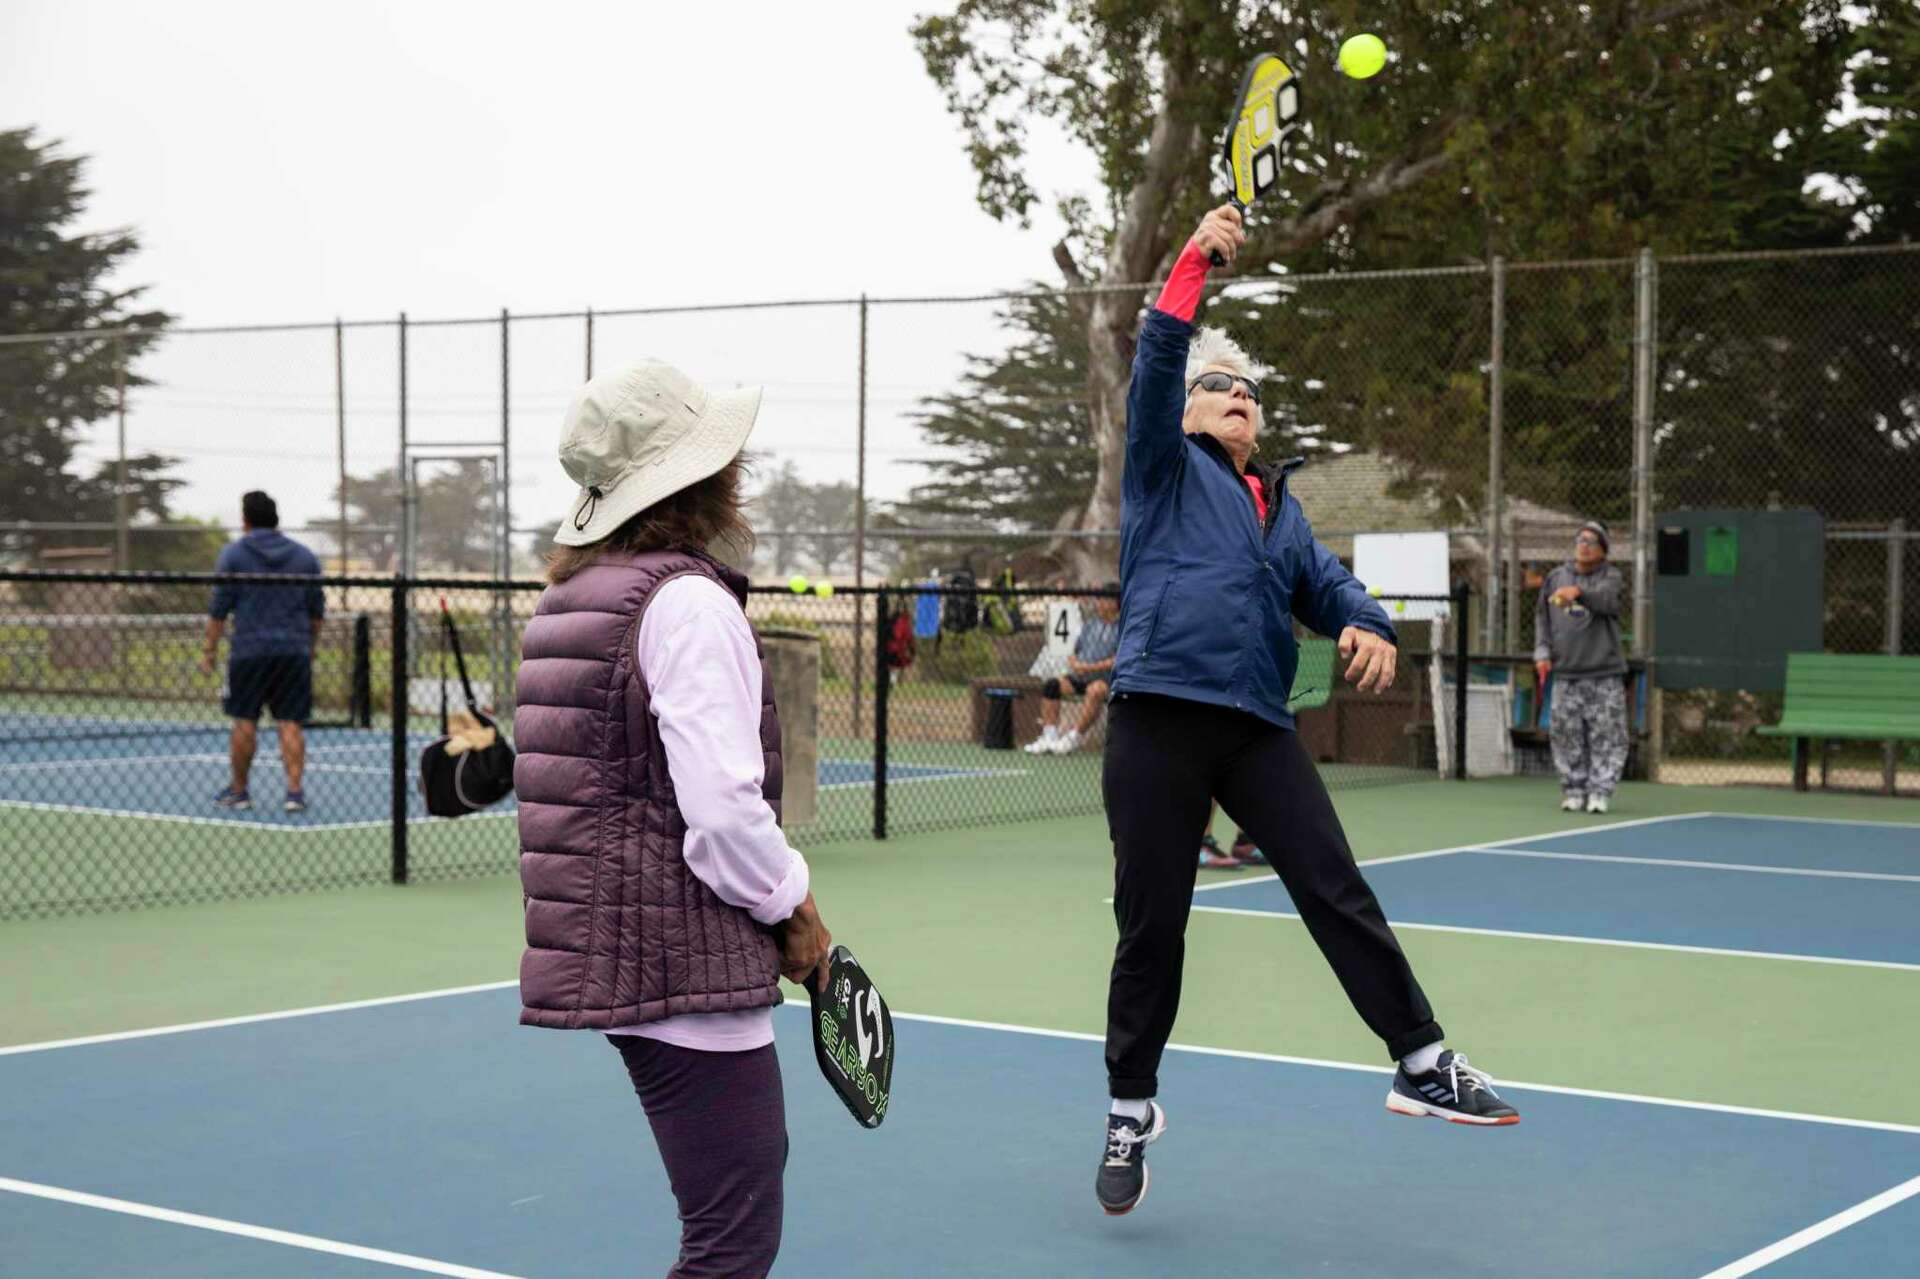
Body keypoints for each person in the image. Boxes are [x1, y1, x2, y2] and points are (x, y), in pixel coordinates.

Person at [1096, 204, 1518, 1218]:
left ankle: (1420, 1058)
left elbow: (1329, 587)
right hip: (1157, 714)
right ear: (1189, 412)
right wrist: (1194, 259)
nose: (1239, 398)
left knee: (1334, 886)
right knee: (1151, 925)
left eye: (1250, 391)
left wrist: (1368, 621)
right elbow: (1158, 354)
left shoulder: (1280, 511)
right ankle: (1128, 1107)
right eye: (1219, 387)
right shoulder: (1159, 471)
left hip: (1253, 722)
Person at [515, 358, 834, 1279]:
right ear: (707, 478)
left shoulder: (573, 598)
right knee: (732, 1239)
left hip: (625, 956)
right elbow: (725, 815)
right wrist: (796, 910)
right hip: (686, 966)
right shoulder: (687, 603)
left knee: (725, 1222)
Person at [201, 491, 324, 813]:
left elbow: (218, 610)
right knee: (290, 721)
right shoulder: (304, 557)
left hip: (249, 651)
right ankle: (294, 793)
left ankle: (239, 792)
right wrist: (309, 647)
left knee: (244, 720)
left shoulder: (234, 555)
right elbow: (316, 611)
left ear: (245, 520)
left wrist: (209, 652)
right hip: (293, 651)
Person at [1534, 521, 1630, 814]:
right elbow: (1542, 618)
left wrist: (1579, 593)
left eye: (1591, 541)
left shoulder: (1611, 577)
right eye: (1580, 540)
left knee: (1608, 735)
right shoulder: (1555, 577)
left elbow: (1608, 602)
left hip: (1604, 672)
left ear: (1602, 549)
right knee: (1565, 734)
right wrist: (1542, 652)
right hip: (1566, 673)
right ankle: (1573, 790)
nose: (1584, 545)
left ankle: (1599, 792)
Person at [1024, 585, 1121, 755]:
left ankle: (1073, 738)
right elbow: (1074, 651)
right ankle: (1049, 736)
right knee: (1052, 684)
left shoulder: (1122, 628)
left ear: (1115, 603)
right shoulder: (1090, 625)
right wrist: (1075, 664)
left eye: (1104, 599)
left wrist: (1089, 668)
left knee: (1095, 691)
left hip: (1104, 680)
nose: (1099, 603)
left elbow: (1117, 659)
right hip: (1079, 676)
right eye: (1098, 599)